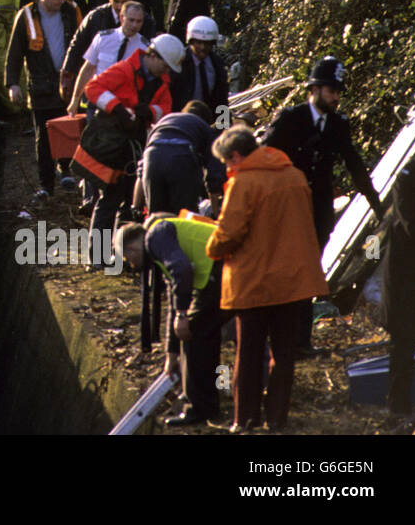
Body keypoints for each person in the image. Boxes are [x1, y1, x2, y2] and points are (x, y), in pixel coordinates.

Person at [206, 125, 329, 432]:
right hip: (294, 281)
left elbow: (229, 233)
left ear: (235, 155)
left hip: (255, 281)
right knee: (284, 353)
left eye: (226, 163)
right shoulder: (295, 176)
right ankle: (277, 419)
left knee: (248, 352)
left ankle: (244, 419)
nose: (227, 169)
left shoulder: (243, 182)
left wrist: (210, 246)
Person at [261, 55, 383, 353]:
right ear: (314, 89)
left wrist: (377, 206)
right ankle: (272, 337)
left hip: (317, 211)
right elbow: (262, 158)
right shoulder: (291, 118)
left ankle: (300, 341)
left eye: (339, 92)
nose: (336, 97)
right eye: (331, 91)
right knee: (285, 271)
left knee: (309, 274)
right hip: (287, 207)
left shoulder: (339, 125)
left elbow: (353, 164)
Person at [116, 206, 229, 426]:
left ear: (130, 249)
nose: (132, 265)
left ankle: (198, 408)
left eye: (129, 260)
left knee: (192, 335)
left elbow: (182, 270)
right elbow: (173, 292)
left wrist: (182, 315)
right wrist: (171, 353)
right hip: (219, 272)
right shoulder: (160, 243)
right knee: (203, 336)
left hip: (219, 271)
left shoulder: (156, 237)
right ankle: (206, 401)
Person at [81, 33, 183, 267]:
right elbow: (93, 88)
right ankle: (96, 257)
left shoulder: (162, 81)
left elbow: (165, 108)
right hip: (112, 143)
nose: (166, 72)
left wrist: (150, 111)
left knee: (128, 201)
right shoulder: (125, 70)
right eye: (165, 66)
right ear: (154, 56)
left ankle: (121, 255)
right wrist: (117, 108)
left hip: (134, 146)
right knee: (108, 198)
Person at [6, 0, 83, 201]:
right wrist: (12, 84)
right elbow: (14, 53)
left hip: (67, 85)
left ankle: (66, 168)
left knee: (68, 131)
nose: (61, 1)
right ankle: (46, 185)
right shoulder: (27, 16)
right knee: (44, 138)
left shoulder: (70, 12)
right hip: (40, 87)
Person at [61, 0, 154, 105]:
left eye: (124, 2)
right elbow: (77, 45)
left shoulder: (144, 21)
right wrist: (67, 74)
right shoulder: (96, 17)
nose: (119, 6)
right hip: (98, 86)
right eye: (116, 1)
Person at [382, 146, 415, 416]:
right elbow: (414, 226)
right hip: (408, 277)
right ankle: (398, 413)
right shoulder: (409, 177)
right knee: (404, 346)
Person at [139, 100, 226, 217]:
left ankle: (105, 235)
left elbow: (141, 170)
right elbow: (214, 173)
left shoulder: (164, 121)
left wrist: (136, 207)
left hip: (152, 158)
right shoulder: (204, 127)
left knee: (156, 219)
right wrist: (216, 213)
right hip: (181, 158)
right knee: (185, 216)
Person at [65, 0, 149, 117]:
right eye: (131, 20)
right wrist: (75, 100)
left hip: (124, 106)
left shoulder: (144, 48)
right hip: (97, 100)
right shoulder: (103, 38)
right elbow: (87, 69)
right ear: (121, 18)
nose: (134, 25)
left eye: (139, 21)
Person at [170, 15, 228, 115]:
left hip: (208, 122)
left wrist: (223, 126)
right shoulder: (179, 62)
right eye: (198, 42)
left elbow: (222, 100)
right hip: (181, 120)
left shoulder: (217, 65)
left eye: (207, 43)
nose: (202, 47)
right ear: (190, 41)